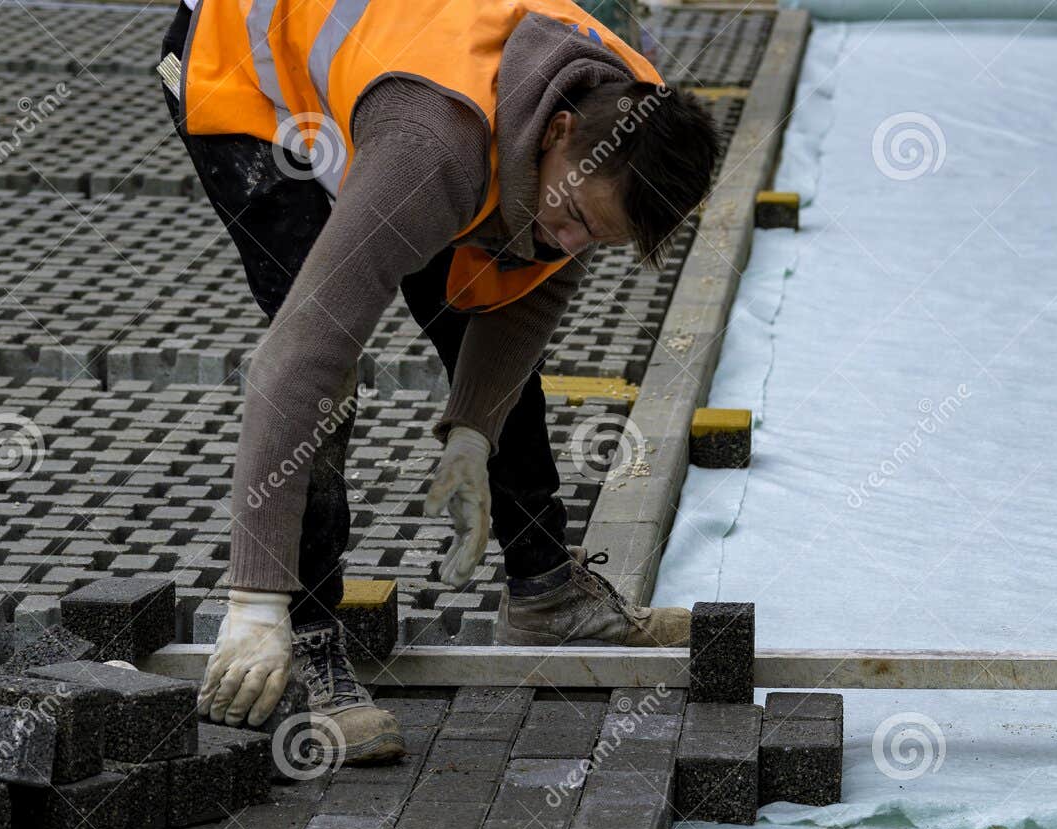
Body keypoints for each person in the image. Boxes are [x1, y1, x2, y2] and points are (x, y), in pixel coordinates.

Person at [162, 0, 722, 764]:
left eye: (599, 237)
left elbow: (529, 295)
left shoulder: (626, 117)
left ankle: (546, 592)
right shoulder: (435, 151)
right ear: (557, 133)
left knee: (495, 280)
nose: (574, 243)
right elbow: (298, 361)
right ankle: (305, 638)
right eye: (579, 219)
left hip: (416, 88)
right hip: (249, 72)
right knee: (329, 369)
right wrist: (253, 600)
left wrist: (472, 431)